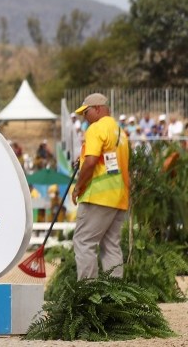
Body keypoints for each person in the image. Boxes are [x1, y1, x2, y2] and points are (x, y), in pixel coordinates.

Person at [71, 92, 131, 280]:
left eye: (86, 112)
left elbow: (90, 163)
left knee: (84, 242)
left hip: (98, 196)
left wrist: (78, 186)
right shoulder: (121, 132)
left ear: (97, 109)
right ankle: (116, 296)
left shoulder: (96, 128)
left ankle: (88, 295)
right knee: (111, 245)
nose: (84, 118)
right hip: (119, 197)